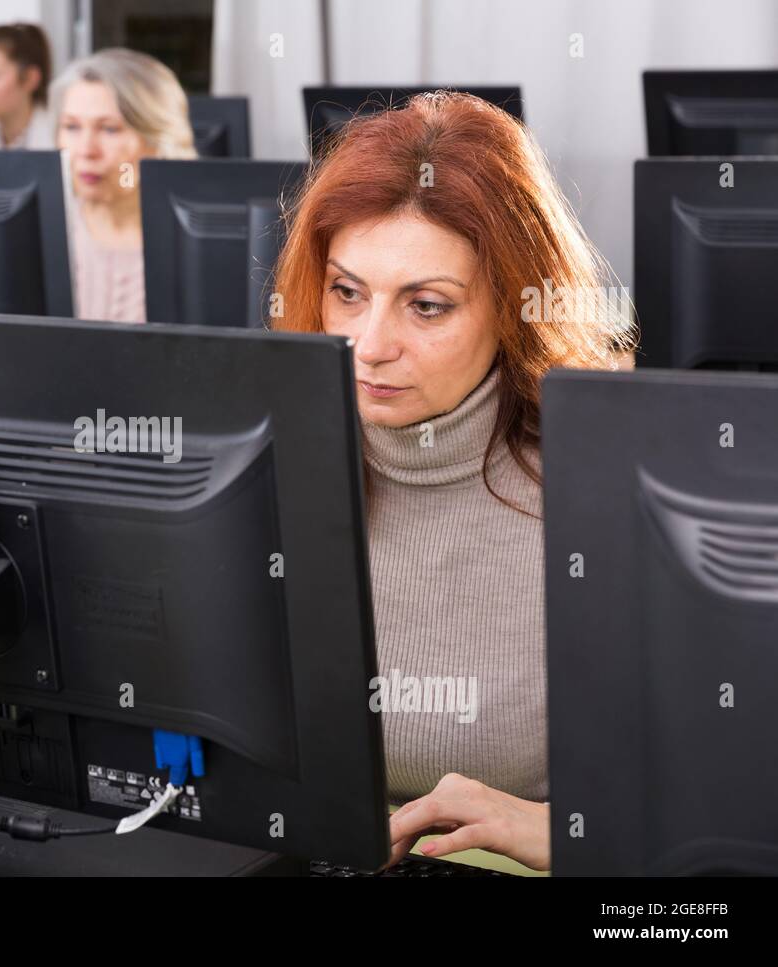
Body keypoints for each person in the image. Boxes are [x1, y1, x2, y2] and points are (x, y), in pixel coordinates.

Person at [272, 91, 635, 871]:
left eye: (426, 306)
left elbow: (716, 805)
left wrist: (568, 831)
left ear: (512, 306)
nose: (369, 346)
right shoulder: (259, 465)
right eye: (347, 292)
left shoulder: (603, 490)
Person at [50, 48, 196, 323]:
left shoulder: (192, 248)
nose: (85, 150)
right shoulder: (47, 230)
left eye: (109, 129)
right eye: (71, 127)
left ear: (157, 141)